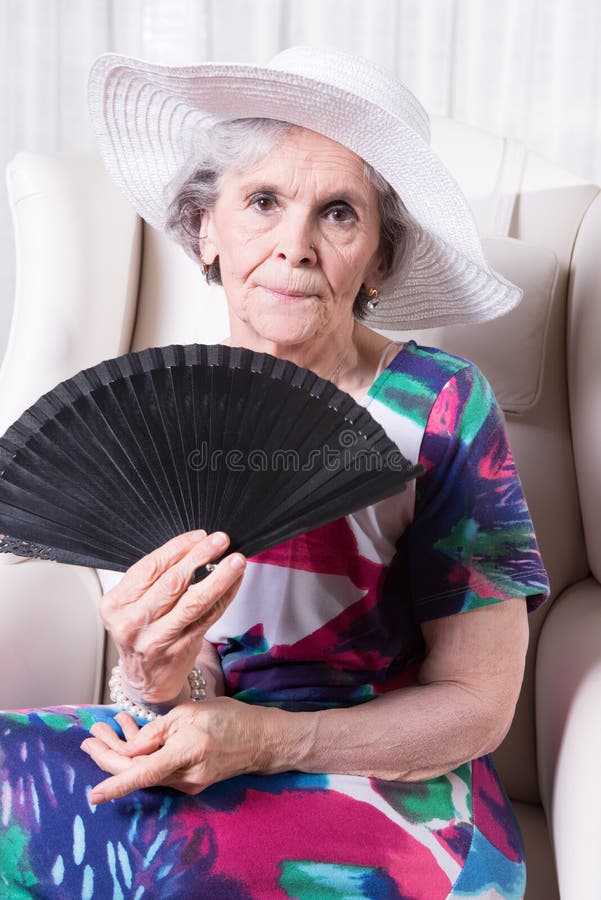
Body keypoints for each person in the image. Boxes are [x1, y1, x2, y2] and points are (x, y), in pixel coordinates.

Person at [0, 46, 549, 899]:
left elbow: (477, 706)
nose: (294, 247)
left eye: (338, 214)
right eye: (262, 202)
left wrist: (265, 740)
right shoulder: (161, 410)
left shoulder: (439, 404)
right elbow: (184, 700)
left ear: (376, 259)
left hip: (390, 780)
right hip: (202, 749)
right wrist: (148, 675)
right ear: (206, 229)